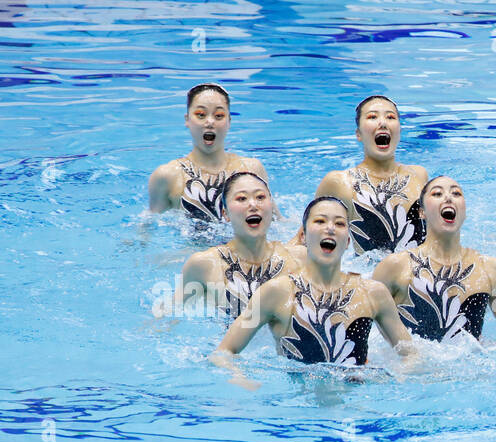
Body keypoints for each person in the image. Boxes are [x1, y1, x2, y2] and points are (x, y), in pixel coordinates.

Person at [210, 197, 417, 376]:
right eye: (319, 221)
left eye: (339, 224)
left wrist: (397, 377)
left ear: (347, 241)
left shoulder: (373, 293)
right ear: (303, 236)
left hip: (356, 400)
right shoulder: (276, 292)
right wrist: (240, 378)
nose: (330, 228)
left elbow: (410, 354)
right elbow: (224, 352)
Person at [373, 176, 496, 343]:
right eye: (437, 194)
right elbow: (368, 322)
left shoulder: (490, 269)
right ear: (422, 212)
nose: (448, 197)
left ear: (464, 211)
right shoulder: (395, 267)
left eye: (456, 193)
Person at [305, 95, 428, 254]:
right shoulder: (339, 182)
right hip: (367, 275)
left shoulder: (418, 175)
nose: (382, 123)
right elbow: (307, 238)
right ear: (358, 134)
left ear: (399, 130)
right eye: (372, 117)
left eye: (390, 117)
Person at [179, 172, 305, 322]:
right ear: (225, 213)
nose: (253, 204)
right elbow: (171, 315)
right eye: (242, 198)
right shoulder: (204, 264)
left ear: (271, 207)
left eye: (260, 197)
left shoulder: (299, 258)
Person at [148, 84, 271, 222]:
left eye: (219, 116)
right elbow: (149, 228)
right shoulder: (167, 176)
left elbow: (274, 221)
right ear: (187, 119)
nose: (210, 122)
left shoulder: (251, 169)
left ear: (229, 121)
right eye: (201, 115)